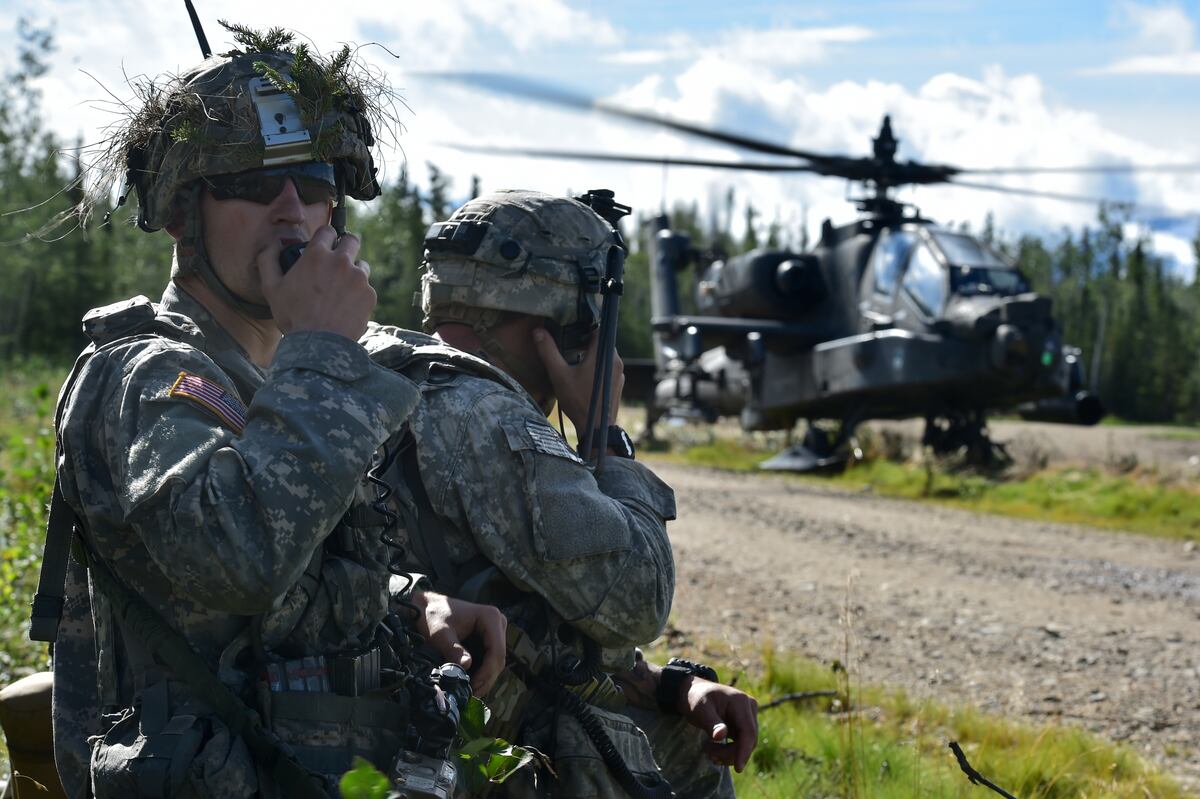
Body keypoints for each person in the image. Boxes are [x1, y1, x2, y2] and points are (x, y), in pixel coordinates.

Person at [38, 25, 504, 799]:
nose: (292, 211)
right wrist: (320, 349)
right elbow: (237, 557)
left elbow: (284, 588)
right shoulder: (145, 374)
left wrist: (408, 602)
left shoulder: (271, 377)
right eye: (253, 184)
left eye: (314, 182)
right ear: (183, 211)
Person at [361, 189, 758, 798]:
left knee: (677, 735)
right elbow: (636, 601)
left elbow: (535, 611)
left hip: (436, 713)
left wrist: (673, 685)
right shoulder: (486, 415)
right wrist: (604, 437)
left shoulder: (392, 374)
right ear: (556, 326)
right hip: (470, 748)